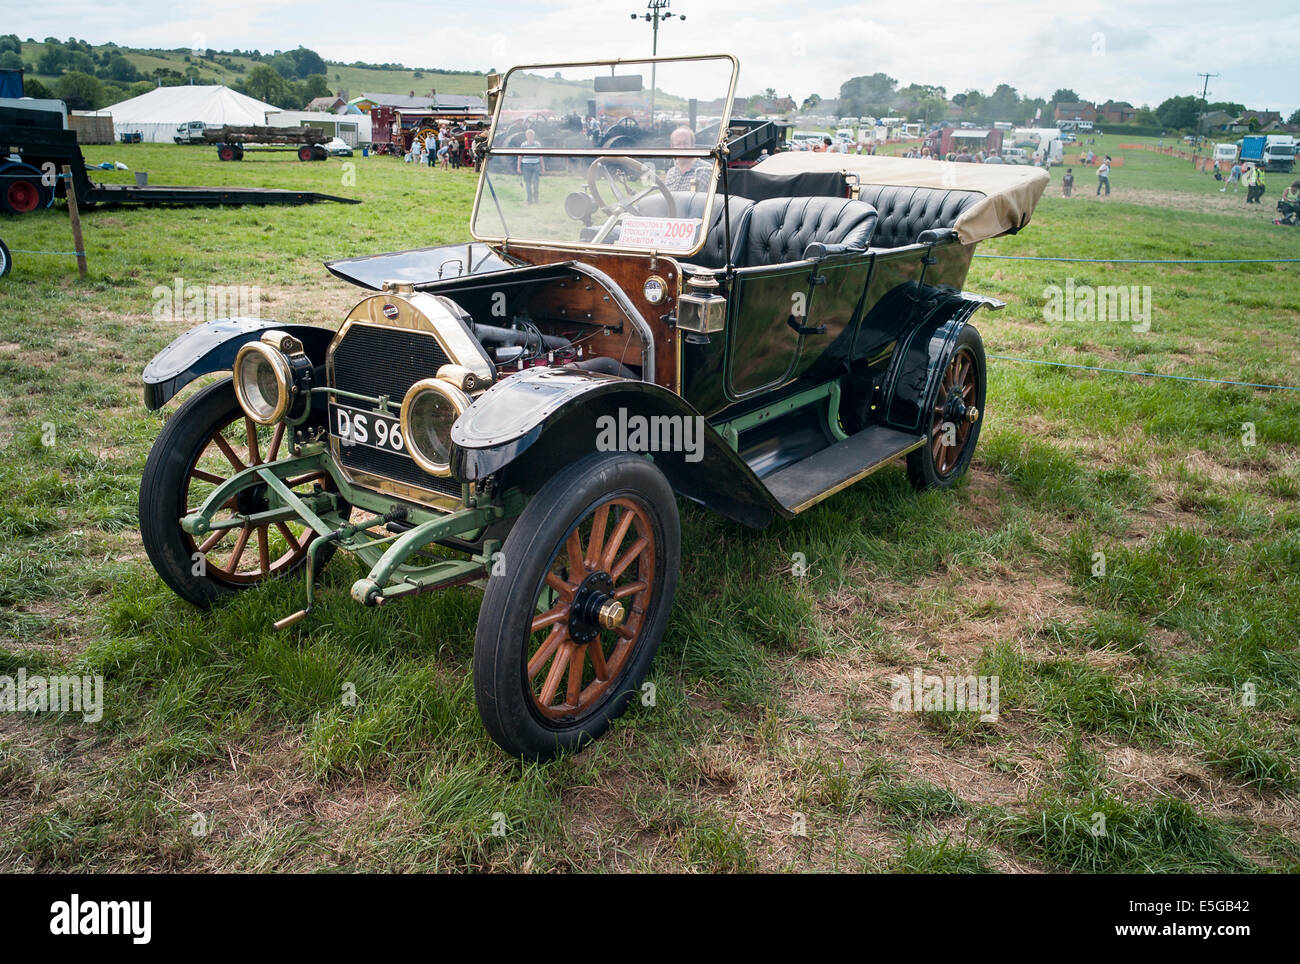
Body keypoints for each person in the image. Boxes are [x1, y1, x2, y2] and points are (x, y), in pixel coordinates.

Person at [663, 126, 712, 192]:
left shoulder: (706, 170)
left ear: (692, 145)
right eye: (678, 144)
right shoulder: (671, 173)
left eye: (685, 143)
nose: (682, 147)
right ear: (672, 148)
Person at [517, 128, 542, 203]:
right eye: (529, 135)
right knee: (527, 183)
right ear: (526, 136)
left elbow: (541, 156)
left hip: (536, 165)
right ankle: (529, 200)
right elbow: (520, 156)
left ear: (534, 136)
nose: (530, 136)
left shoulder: (537, 144)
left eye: (531, 135)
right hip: (526, 165)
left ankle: (536, 199)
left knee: (536, 182)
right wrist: (518, 167)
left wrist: (542, 167)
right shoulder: (523, 145)